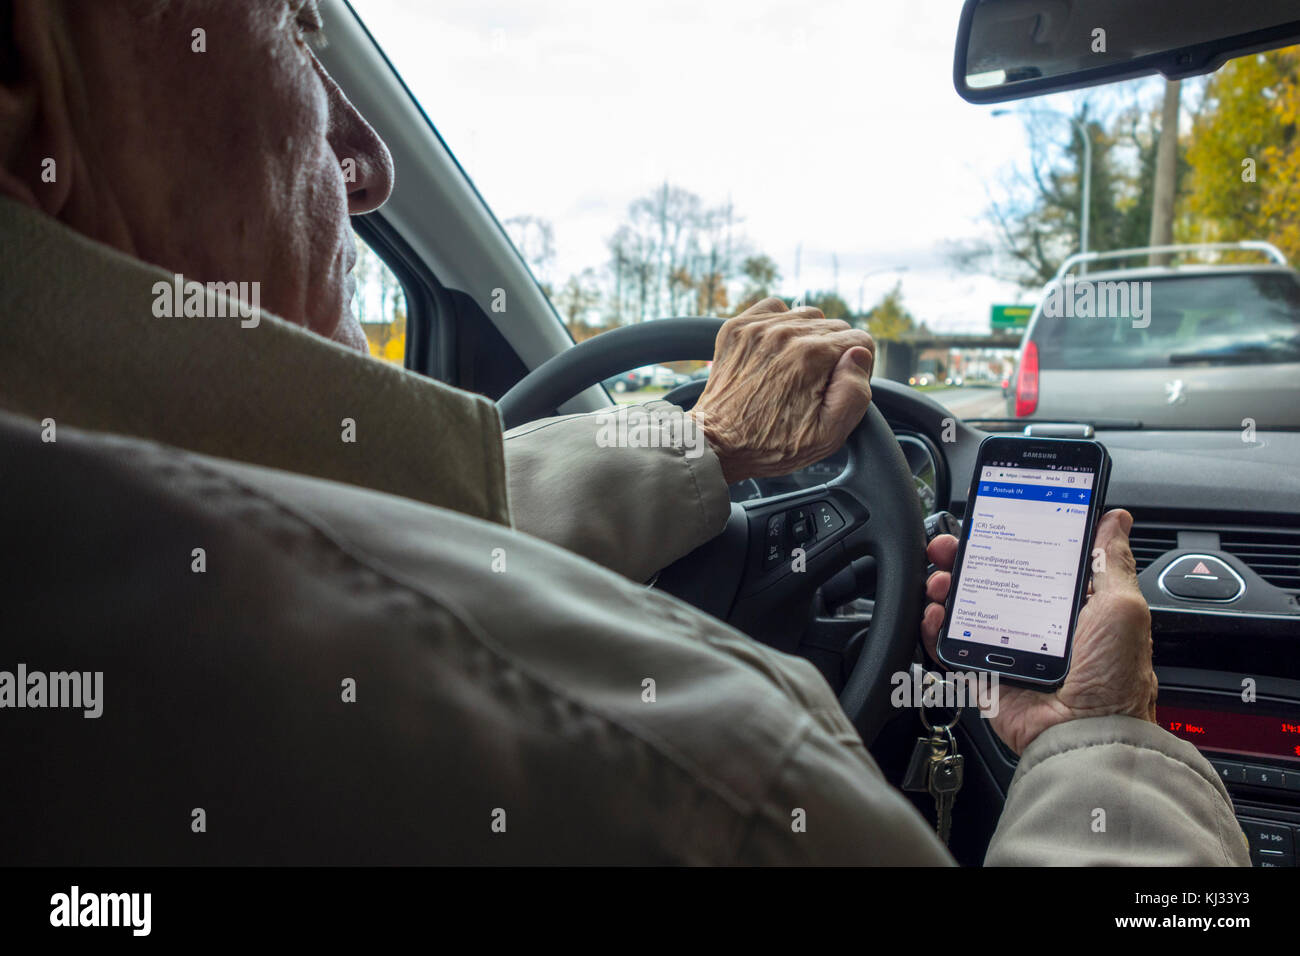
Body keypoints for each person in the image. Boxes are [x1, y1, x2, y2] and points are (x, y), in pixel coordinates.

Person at [0, 0, 1246, 864]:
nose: (366, 157)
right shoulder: (701, 774)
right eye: (290, 33)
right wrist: (1106, 745)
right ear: (21, 82)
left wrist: (694, 445)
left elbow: (376, 514)